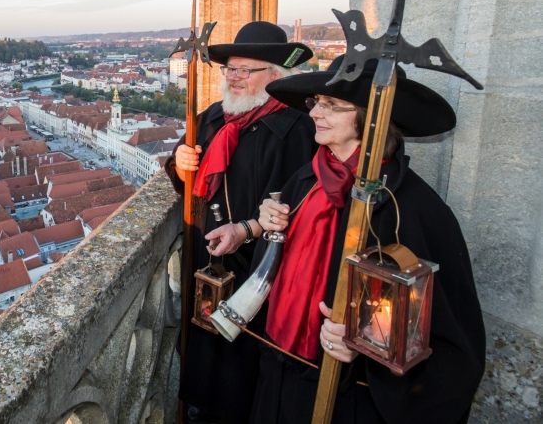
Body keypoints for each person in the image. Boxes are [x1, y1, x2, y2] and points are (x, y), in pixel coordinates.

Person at [249, 56, 485, 424]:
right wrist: (269, 228)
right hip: (279, 372)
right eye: (316, 103)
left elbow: (446, 339)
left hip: (349, 397)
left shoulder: (414, 209)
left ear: (370, 118)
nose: (314, 113)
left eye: (330, 105)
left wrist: (365, 343)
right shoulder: (306, 180)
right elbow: (278, 275)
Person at [164, 21, 315, 424]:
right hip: (208, 260)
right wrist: (178, 164)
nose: (233, 77)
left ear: (276, 76)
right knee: (203, 360)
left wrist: (248, 228)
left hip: (258, 272)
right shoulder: (214, 117)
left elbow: (303, 208)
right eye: (230, 69)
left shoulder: (298, 129)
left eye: (245, 70)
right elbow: (182, 163)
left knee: (241, 374)